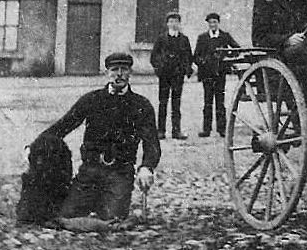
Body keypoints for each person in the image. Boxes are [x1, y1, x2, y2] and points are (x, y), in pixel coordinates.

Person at [38, 52, 159, 225]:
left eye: (124, 69)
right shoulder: (92, 100)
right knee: (67, 216)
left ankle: (108, 202)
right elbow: (63, 126)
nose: (119, 74)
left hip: (120, 173)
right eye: (114, 69)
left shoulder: (141, 105)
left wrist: (147, 167)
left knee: (112, 219)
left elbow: (152, 143)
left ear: (130, 72)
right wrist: (35, 146)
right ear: (106, 73)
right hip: (90, 172)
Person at [193, 12, 240, 137]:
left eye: (215, 22)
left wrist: (226, 56)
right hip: (207, 74)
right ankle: (206, 129)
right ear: (208, 24)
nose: (213, 24)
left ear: (218, 23)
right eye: (210, 22)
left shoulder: (225, 36)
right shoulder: (202, 37)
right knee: (207, 101)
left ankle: (222, 129)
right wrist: (203, 62)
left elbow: (236, 49)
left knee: (220, 101)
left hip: (220, 73)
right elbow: (196, 56)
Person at [150, 12, 193, 140]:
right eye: (171, 21)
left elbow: (188, 56)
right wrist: (159, 69)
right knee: (162, 103)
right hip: (164, 75)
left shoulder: (184, 39)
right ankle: (161, 131)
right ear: (167, 23)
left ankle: (176, 131)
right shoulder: (161, 39)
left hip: (178, 76)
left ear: (179, 24)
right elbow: (153, 57)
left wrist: (185, 70)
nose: (174, 24)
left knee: (176, 104)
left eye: (176, 21)